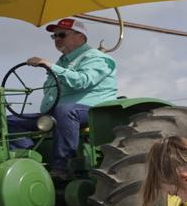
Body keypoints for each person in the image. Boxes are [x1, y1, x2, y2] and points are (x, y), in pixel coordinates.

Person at [7, 18, 116, 175]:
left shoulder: (97, 58)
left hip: (94, 112)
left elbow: (82, 81)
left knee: (65, 110)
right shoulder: (63, 62)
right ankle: (31, 162)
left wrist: (50, 66)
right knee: (8, 122)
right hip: (57, 112)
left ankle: (63, 166)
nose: (57, 39)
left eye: (62, 35)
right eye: (54, 36)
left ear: (80, 37)